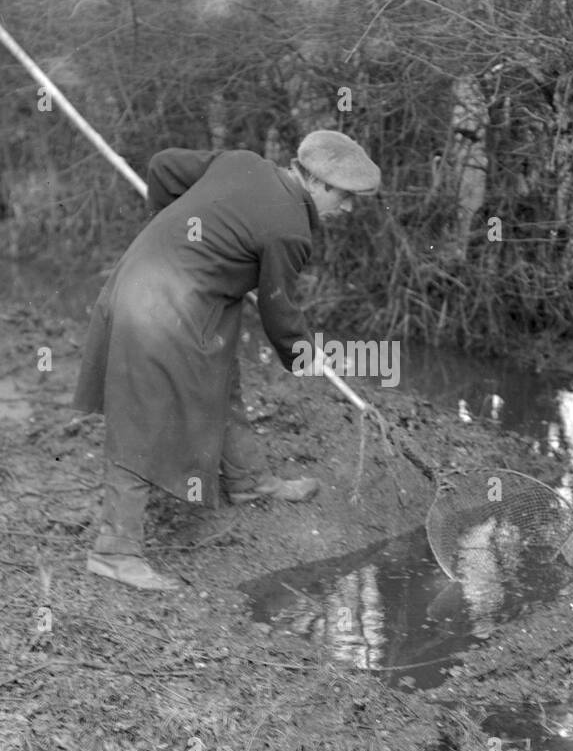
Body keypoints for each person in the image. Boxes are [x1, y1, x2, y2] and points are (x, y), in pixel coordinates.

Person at [73, 129, 381, 591]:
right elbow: (279, 312)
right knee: (141, 416)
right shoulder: (290, 230)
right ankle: (115, 551)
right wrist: (306, 358)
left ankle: (248, 478)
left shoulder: (241, 160)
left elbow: (162, 165)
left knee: (220, 378)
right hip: (158, 307)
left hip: (159, 286)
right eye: (347, 197)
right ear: (318, 184)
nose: (349, 209)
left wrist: (175, 227)